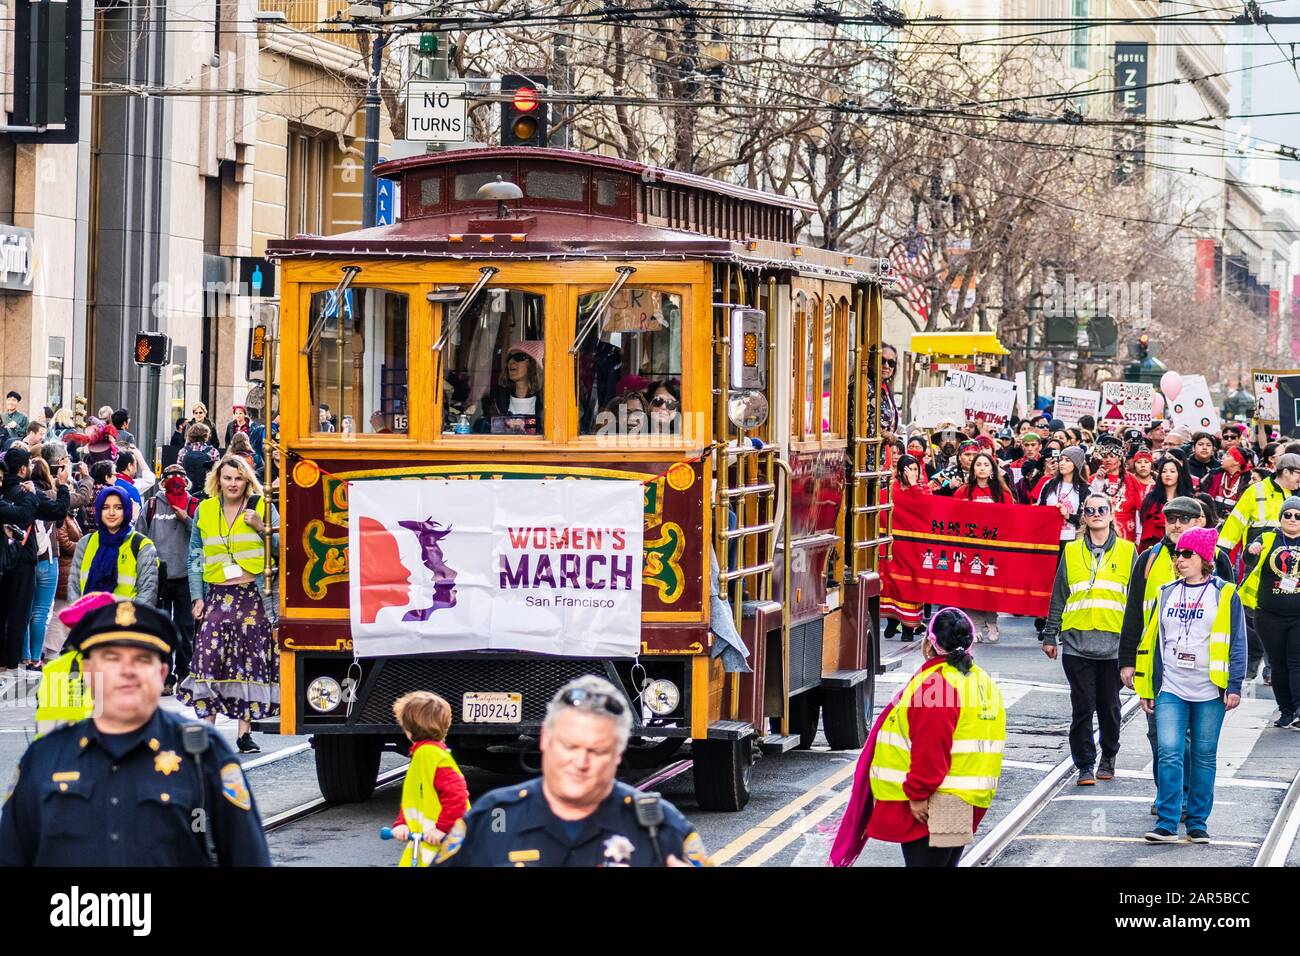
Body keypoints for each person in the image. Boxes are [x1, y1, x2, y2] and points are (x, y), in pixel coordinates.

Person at [0, 599, 271, 865]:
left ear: (163, 672)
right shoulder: (44, 757)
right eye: (112, 658)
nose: (127, 671)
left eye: (141, 659)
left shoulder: (203, 754)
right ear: (87, 670)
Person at [435, 676, 710, 867]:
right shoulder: (492, 817)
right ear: (545, 738)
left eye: (596, 750)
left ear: (617, 755)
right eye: (569, 746)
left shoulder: (660, 828)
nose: (580, 761)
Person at [833, 608, 1005, 868]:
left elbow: (931, 747)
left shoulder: (935, 685)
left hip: (935, 801)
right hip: (963, 797)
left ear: (929, 643)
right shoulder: (981, 681)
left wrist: (917, 794)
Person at [1135, 527, 1245, 844]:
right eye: (1177, 554)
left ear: (1204, 559)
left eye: (1187, 554)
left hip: (1210, 688)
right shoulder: (1167, 592)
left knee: (1203, 755)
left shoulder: (1224, 594)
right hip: (1170, 685)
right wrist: (1146, 686)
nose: (1179, 559)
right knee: (1169, 751)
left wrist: (1234, 684)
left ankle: (1197, 823)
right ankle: (1168, 823)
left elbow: (1237, 642)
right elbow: (1153, 641)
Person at [178, 455, 279, 754]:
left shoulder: (261, 507)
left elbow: (283, 551)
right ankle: (207, 730)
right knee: (208, 661)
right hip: (217, 597)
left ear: (247, 481)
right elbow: (195, 556)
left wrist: (262, 528)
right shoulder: (205, 510)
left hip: (252, 595)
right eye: (227, 478)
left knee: (247, 663)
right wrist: (197, 596)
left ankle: (244, 732)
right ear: (218, 481)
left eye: (238, 478)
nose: (233, 484)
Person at [1041, 493, 1136, 785]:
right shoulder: (1070, 551)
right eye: (1090, 510)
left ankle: (1108, 756)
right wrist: (1050, 634)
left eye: (1102, 509)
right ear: (1083, 516)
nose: (1096, 513)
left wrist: (1134, 647)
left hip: (1113, 644)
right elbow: (1059, 594)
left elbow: (1135, 601)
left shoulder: (1128, 551)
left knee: (1109, 707)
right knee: (1082, 706)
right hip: (1076, 643)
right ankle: (1084, 764)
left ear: (1111, 515)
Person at [1, 447, 70, 675]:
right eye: (28, 464)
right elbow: (59, 511)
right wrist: (62, 485)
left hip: (4, 560)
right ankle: (14, 663)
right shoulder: (28, 493)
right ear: (23, 469)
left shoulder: (5, 493)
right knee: (22, 611)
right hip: (23, 560)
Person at [387, 691, 471, 866]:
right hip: (426, 843)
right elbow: (414, 799)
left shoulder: (430, 756)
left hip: (443, 844)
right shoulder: (423, 754)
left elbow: (457, 797)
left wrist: (442, 829)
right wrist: (402, 823)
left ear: (409, 729)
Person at [137, 464, 200, 694]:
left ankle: (185, 674)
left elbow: (202, 537)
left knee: (185, 629)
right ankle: (165, 677)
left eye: (180, 478)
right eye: (171, 478)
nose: (175, 482)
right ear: (162, 482)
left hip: (185, 575)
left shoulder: (194, 505)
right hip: (159, 575)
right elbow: (140, 539)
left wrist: (185, 518)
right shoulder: (152, 505)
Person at [1239, 496, 1300, 728]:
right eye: (1288, 514)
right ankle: (1286, 709)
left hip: (1298, 616)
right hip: (1268, 614)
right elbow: (1247, 559)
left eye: (1298, 515)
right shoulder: (1267, 538)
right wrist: (1251, 551)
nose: (1292, 519)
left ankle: (1299, 709)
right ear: (1281, 517)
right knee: (1277, 663)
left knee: (1296, 662)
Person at [68, 485, 159, 605]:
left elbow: (147, 593)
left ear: (126, 510)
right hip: (89, 620)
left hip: (127, 620)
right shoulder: (85, 543)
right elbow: (74, 587)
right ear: (99, 510)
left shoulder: (142, 546)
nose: (111, 513)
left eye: (118, 507)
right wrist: (79, 618)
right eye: (105, 507)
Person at [881, 454, 930, 641]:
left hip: (914, 547)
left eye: (916, 469)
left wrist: (914, 485)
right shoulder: (889, 490)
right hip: (894, 545)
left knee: (910, 585)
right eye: (909, 469)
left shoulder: (924, 490)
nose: (913, 473)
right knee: (892, 583)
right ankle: (893, 620)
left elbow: (925, 508)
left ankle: (909, 627)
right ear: (900, 471)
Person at [22, 458, 63, 671]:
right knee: (41, 611)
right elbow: (68, 508)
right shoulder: (52, 497)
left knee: (25, 611)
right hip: (49, 558)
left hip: (29, 559)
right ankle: (36, 658)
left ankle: (25, 656)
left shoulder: (23, 496)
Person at [1090, 437, 1146, 542]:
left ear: (1120, 459)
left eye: (1112, 456)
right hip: (1100, 530)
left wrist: (1139, 536)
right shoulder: (1093, 479)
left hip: (1127, 532)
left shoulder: (1131, 480)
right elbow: (1089, 504)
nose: (1108, 460)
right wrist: (1098, 481)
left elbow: (1139, 510)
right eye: (1105, 456)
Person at [1137, 456, 1195, 551]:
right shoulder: (1151, 498)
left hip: (1182, 547)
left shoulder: (1188, 498)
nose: (1168, 474)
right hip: (1152, 548)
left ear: (1179, 474)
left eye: (1172, 471)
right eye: (1164, 471)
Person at [181, 421, 221, 497]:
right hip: (206, 491)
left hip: (187, 492)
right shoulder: (213, 452)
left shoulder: (183, 451)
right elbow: (216, 473)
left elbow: (180, 471)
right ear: (206, 436)